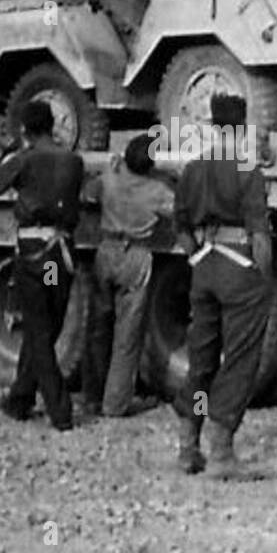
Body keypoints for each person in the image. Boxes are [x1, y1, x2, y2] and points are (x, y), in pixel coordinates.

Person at [172, 94, 274, 479]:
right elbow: (260, 234)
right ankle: (222, 454)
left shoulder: (194, 168)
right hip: (239, 266)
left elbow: (180, 226)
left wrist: (197, 257)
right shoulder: (248, 169)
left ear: (214, 126)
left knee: (201, 361)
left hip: (204, 267)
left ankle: (187, 447)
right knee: (239, 359)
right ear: (242, 126)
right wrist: (262, 278)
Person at [0, 101, 85, 431]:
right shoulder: (73, 161)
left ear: (25, 129)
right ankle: (20, 399)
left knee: (38, 333)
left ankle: (60, 411)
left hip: (33, 254)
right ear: (53, 125)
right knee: (46, 330)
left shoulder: (22, 161)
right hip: (60, 256)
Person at [83, 134, 175, 418]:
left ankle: (91, 398)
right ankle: (115, 403)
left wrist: (111, 169)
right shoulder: (157, 190)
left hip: (106, 249)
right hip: (136, 255)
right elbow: (182, 209)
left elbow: (87, 192)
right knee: (128, 334)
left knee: (97, 327)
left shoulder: (109, 180)